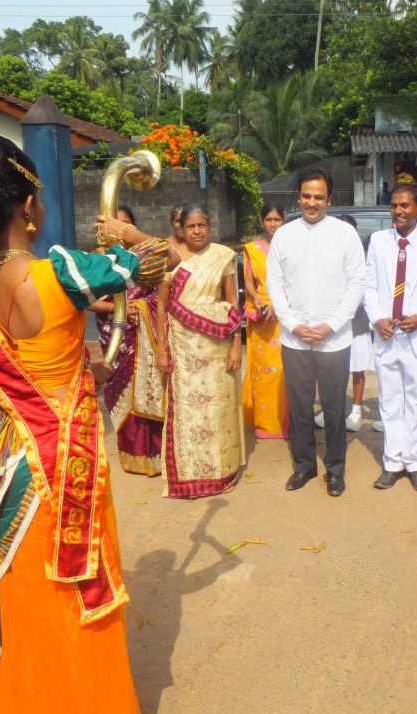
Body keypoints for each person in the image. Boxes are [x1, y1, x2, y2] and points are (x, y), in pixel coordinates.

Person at [0, 132, 142, 712]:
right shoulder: (60, 275)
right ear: (28, 208)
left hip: (0, 463)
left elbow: (29, 364)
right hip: (60, 462)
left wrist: (84, 373)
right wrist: (125, 236)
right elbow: (153, 264)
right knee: (75, 602)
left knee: (23, 604)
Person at [267, 169, 365, 497]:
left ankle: (335, 469)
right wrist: (293, 324)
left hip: (334, 339)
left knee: (336, 407)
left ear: (329, 200)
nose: (312, 202)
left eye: (319, 197)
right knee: (299, 405)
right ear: (298, 196)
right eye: (307, 196)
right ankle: (305, 465)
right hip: (295, 339)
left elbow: (357, 284)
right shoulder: (284, 235)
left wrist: (332, 324)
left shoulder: (345, 235)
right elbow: (275, 285)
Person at [364, 183, 417, 492]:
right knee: (389, 403)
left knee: (416, 402)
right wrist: (377, 319)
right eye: (394, 206)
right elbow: (370, 287)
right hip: (387, 336)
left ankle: (415, 463)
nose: (398, 211)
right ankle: (392, 463)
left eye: (404, 206)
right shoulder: (378, 241)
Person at [155, 204, 245, 498]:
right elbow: (162, 306)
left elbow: (233, 303)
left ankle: (222, 474)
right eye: (191, 226)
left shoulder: (223, 256)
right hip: (183, 350)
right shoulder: (171, 258)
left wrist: (236, 345)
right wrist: (161, 348)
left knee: (218, 410)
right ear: (181, 228)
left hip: (217, 347)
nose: (197, 231)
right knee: (189, 411)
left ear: (210, 226)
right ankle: (189, 475)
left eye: (202, 225)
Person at [90, 205, 176, 476]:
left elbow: (169, 266)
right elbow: (88, 302)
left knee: (150, 389)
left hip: (143, 332)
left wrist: (140, 308)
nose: (117, 232)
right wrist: (122, 311)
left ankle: (155, 454)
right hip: (115, 334)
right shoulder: (95, 259)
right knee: (120, 390)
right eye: (111, 225)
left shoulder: (143, 258)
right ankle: (132, 454)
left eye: (123, 225)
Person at [315, 214, 372, 432]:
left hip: (354, 322)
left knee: (357, 368)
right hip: (328, 323)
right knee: (327, 369)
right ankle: (328, 409)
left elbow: (362, 290)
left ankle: (356, 411)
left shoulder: (361, 256)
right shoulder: (325, 254)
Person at [242, 203, 289, 440]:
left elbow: (293, 280)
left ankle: (284, 422)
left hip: (285, 315)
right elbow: (249, 281)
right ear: (262, 223)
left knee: (283, 370)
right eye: (269, 220)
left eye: (277, 220)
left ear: (283, 221)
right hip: (261, 317)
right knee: (262, 370)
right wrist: (258, 301)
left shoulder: (290, 247)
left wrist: (277, 305)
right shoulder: (251, 249)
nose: (273, 224)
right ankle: (264, 423)